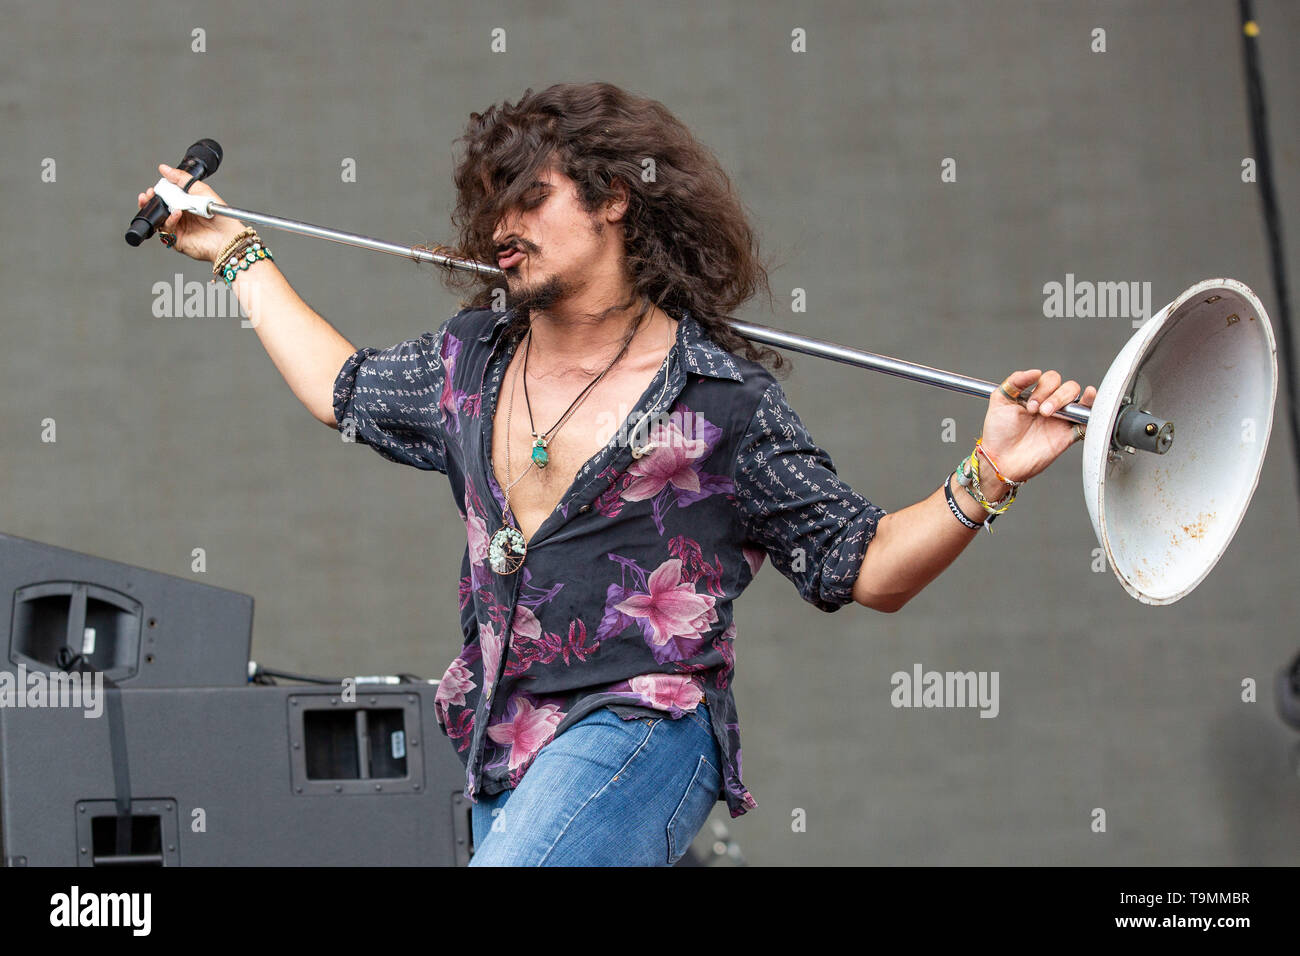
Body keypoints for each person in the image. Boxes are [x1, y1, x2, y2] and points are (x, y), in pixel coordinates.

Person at [135, 81, 1095, 866]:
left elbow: (868, 566)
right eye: (490, 207)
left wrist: (992, 468)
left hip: (648, 724)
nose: (501, 227)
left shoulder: (722, 400)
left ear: (614, 197)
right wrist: (234, 253)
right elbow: (340, 388)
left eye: (531, 197)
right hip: (500, 745)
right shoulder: (468, 362)